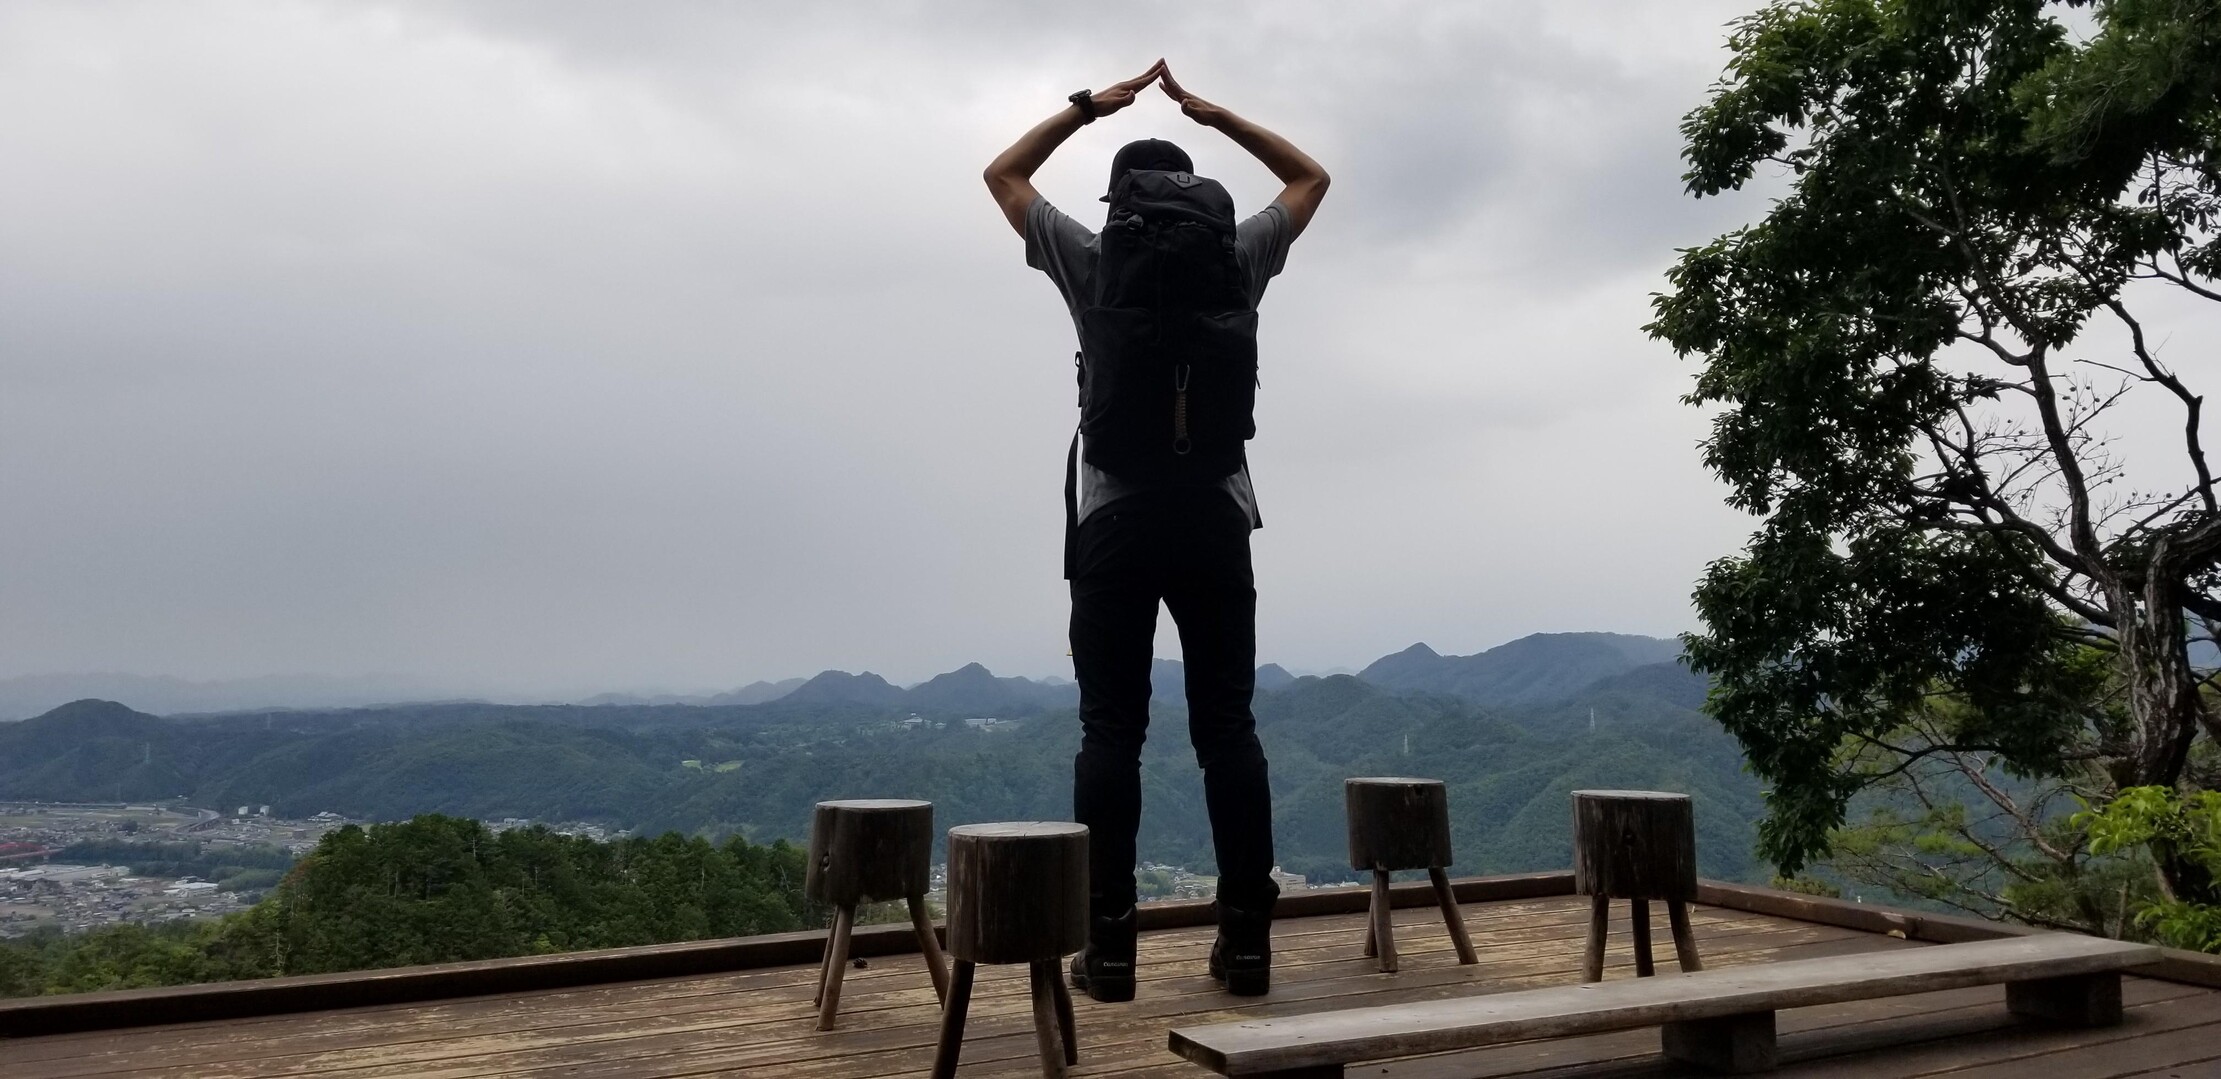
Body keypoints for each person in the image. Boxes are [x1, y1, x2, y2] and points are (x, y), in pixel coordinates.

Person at [983, 60, 1329, 1001]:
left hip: (1115, 517)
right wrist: (1218, 116)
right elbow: (1310, 179)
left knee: (1111, 730)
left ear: (1120, 203)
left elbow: (1002, 176)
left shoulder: (1093, 260)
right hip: (1216, 514)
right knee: (1227, 728)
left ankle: (1109, 950)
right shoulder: (1236, 258)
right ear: (1196, 197)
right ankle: (1246, 944)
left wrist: (1086, 108)